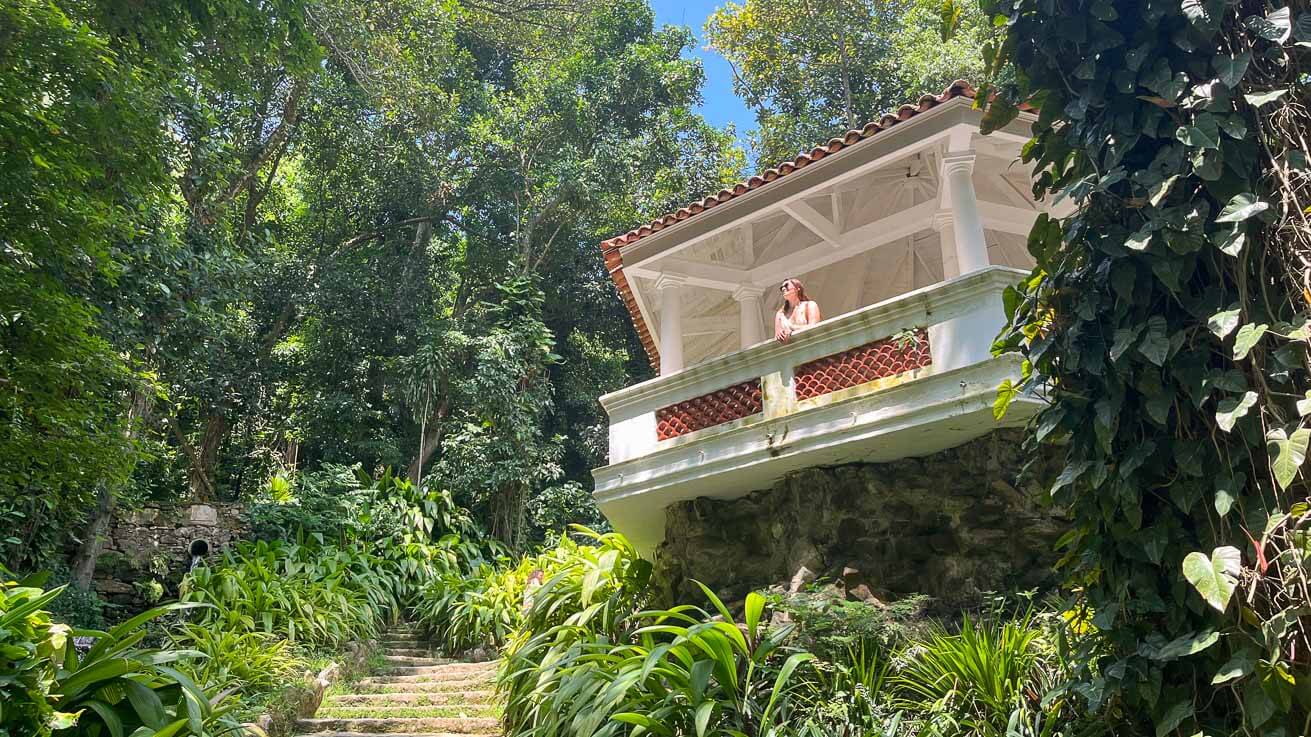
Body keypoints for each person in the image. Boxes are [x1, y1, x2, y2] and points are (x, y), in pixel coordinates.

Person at [775, 277, 820, 343]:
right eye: (781, 288)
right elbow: (777, 336)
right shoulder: (780, 314)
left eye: (786, 285)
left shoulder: (810, 305)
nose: (783, 288)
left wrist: (792, 328)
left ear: (797, 288)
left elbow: (814, 327)